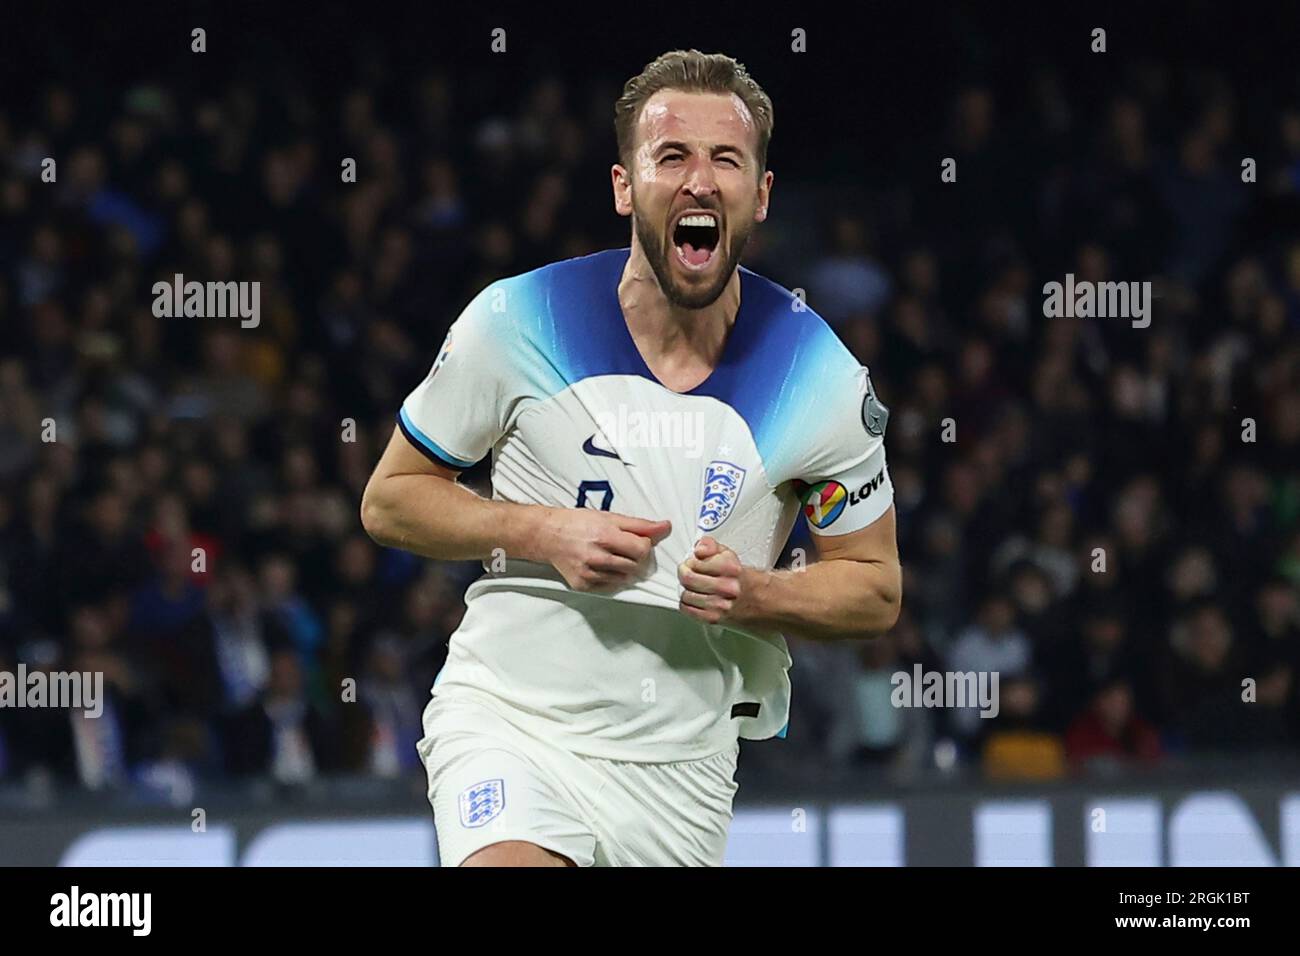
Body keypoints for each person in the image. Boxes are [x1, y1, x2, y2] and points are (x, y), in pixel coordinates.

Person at [361, 49, 901, 867]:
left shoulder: (819, 377)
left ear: (759, 195)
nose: (698, 181)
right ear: (624, 187)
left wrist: (757, 591)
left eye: (726, 159)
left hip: (681, 771)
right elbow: (391, 498)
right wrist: (543, 532)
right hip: (514, 720)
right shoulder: (515, 321)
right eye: (672, 156)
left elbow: (874, 587)